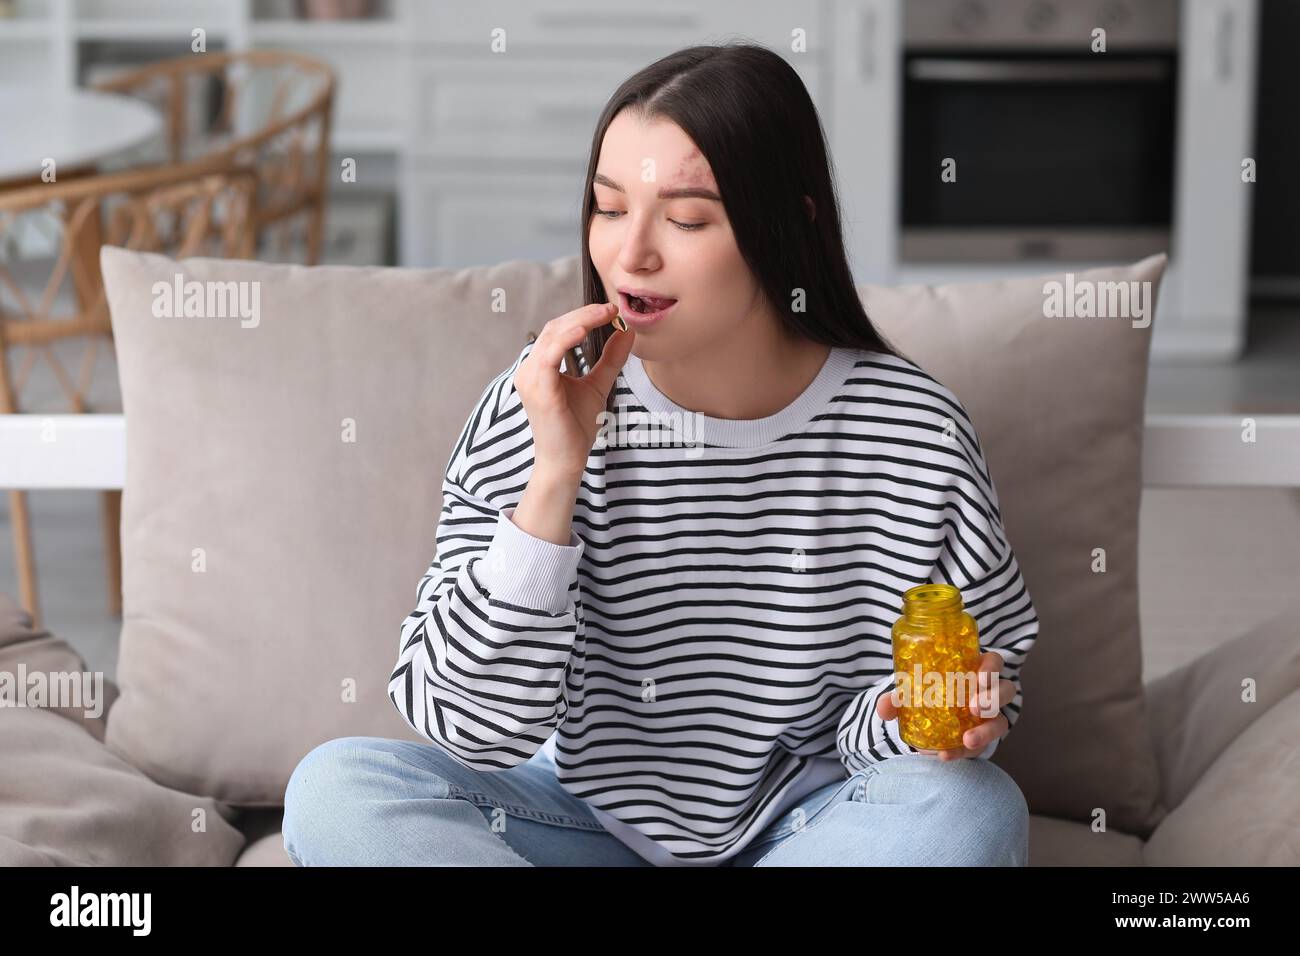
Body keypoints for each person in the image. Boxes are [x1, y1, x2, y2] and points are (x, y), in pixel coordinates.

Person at [283, 42, 1036, 867]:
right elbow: (467, 726)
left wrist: (922, 719)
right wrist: (555, 476)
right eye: (609, 208)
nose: (631, 254)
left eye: (685, 219)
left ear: (791, 225)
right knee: (337, 791)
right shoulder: (533, 404)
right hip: (574, 822)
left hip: (808, 833)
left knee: (967, 810)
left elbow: (965, 698)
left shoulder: (913, 431)